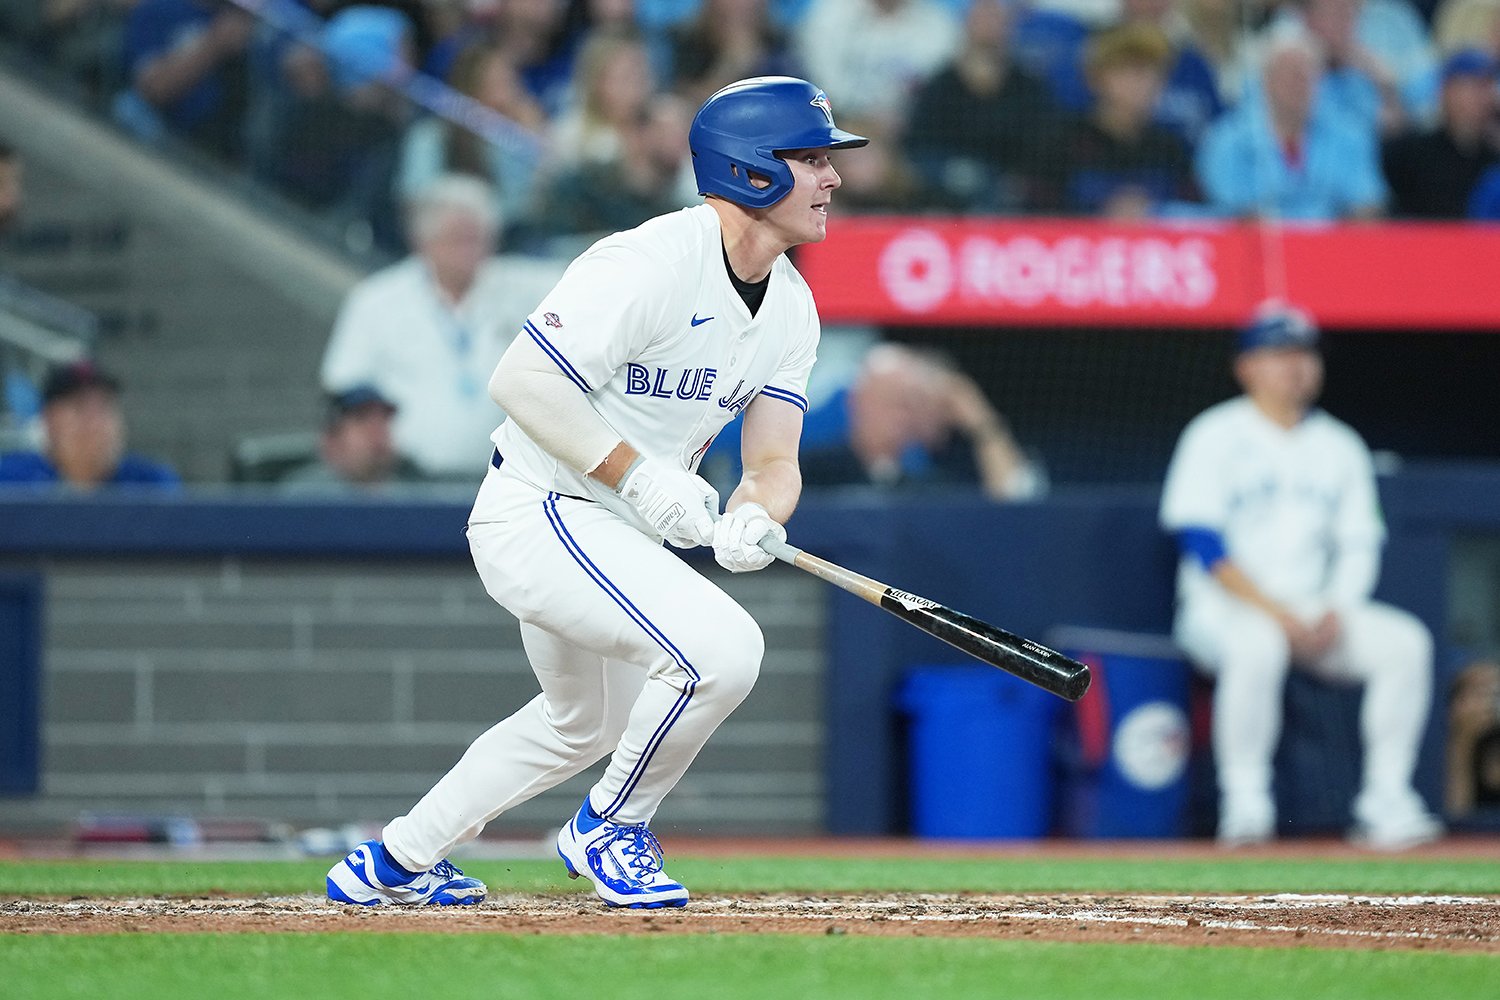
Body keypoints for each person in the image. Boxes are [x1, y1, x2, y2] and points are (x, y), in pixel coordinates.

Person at [324, 76, 867, 909]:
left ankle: (393, 861)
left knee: (584, 724)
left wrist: (755, 516)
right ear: (752, 169)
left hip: (619, 536)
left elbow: (773, 461)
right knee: (723, 651)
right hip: (540, 511)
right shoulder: (649, 260)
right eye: (812, 159)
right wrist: (645, 480)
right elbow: (525, 380)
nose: (833, 178)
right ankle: (611, 824)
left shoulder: (793, 310)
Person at [1159, 303, 1443, 850]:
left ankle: (1386, 801)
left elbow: (1361, 542)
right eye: (1281, 353)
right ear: (1247, 367)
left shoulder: (1341, 445)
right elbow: (1202, 543)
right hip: (1224, 609)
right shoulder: (1214, 434)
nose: (1298, 366)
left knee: (1405, 643)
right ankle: (1246, 804)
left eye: (1306, 354)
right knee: (1257, 645)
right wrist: (1275, 611)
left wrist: (1337, 606)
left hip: (1313, 608)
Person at [319, 173, 563, 480]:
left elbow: (591, 284)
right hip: (406, 478)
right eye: (456, 239)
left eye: (477, 238)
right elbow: (344, 382)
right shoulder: (377, 300)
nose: (468, 251)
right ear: (424, 241)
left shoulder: (525, 288)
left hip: (514, 477)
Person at [799, 344, 1043, 501]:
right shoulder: (809, 471)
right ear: (856, 401)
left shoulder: (929, 485)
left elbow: (1016, 504)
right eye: (889, 401)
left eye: (909, 405)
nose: (900, 416)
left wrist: (982, 424)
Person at [1196, 26, 1386, 221]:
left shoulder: (1351, 137)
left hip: (1333, 245)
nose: (1300, 83)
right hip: (1255, 246)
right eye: (1291, 74)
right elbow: (1233, 211)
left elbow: (1367, 203)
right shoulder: (1225, 141)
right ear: (1266, 81)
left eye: (1308, 75)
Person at [1041, 23, 1198, 218]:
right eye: (1133, 72)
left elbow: (1197, 214)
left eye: (1155, 72)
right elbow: (1033, 217)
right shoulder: (1061, 142)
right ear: (1096, 78)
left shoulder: (1170, 146)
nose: (1147, 83)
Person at [0, 361, 180, 490]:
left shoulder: (150, 483)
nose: (96, 422)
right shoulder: (12, 481)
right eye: (80, 408)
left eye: (105, 407)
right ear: (49, 420)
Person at [1382, 49, 1500, 218]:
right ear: (1444, 91)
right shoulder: (1410, 152)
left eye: (1485, 87)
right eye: (1468, 86)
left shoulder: (1493, 159)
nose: (1478, 97)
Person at [279, 385, 426, 493]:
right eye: (362, 420)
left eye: (384, 420)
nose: (377, 431)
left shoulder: (417, 496)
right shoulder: (304, 498)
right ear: (331, 439)